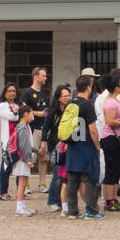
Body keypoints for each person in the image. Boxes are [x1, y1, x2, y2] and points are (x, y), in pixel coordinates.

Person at [64, 74, 103, 219]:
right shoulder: (87, 105)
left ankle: (72, 211)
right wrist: (97, 145)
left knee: (73, 179)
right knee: (90, 178)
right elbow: (92, 129)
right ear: (88, 87)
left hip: (73, 145)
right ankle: (91, 210)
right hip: (86, 145)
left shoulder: (70, 104)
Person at [100, 71, 120, 211]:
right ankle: (109, 200)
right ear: (116, 87)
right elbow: (110, 121)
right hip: (111, 138)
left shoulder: (116, 100)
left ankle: (114, 198)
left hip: (118, 138)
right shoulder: (110, 102)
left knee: (117, 169)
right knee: (112, 169)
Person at [45, 84, 71, 212]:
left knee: (64, 174)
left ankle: (62, 201)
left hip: (66, 145)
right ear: (58, 98)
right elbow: (46, 129)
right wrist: (43, 144)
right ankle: (52, 200)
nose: (67, 98)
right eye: (65, 95)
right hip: (55, 146)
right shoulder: (52, 112)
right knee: (57, 174)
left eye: (68, 95)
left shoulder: (70, 111)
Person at [12, 106, 37, 215]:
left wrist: (36, 150)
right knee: (22, 184)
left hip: (24, 160)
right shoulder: (22, 128)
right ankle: (19, 207)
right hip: (22, 160)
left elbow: (27, 145)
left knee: (24, 182)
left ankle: (23, 206)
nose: (32, 116)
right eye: (31, 113)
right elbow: (23, 146)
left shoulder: (24, 127)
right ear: (25, 114)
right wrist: (27, 160)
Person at [0, 83, 20, 200]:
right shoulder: (2, 105)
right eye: (9, 91)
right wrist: (20, 113)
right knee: (6, 165)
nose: (12, 93)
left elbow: (29, 116)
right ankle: (3, 192)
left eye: (14, 91)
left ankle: (20, 192)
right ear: (5, 93)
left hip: (19, 139)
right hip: (8, 140)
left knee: (20, 166)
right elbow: (11, 117)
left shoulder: (19, 104)